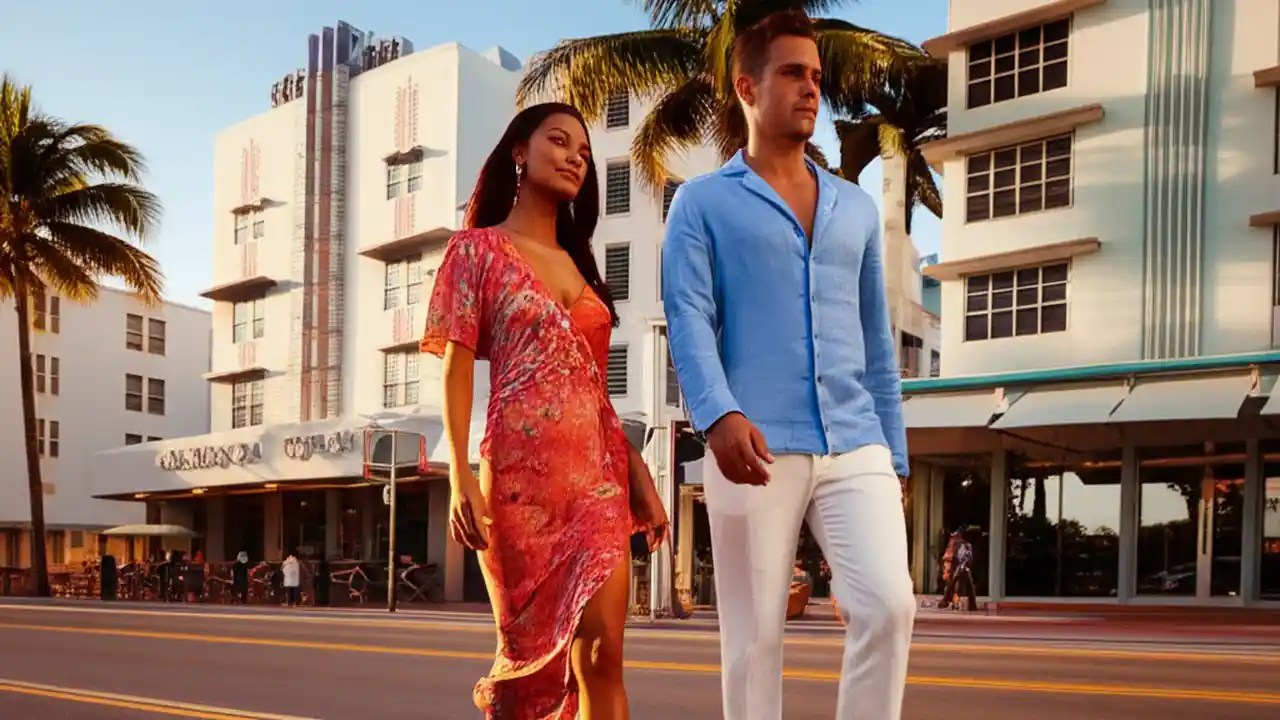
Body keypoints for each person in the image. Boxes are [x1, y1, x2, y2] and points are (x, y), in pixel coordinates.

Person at [661, 10, 916, 720]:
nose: (811, 89)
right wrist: (717, 414)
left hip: (855, 439)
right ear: (748, 85)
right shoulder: (701, 204)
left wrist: (893, 457)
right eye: (792, 74)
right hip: (752, 445)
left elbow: (876, 343)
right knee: (753, 644)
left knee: (891, 607)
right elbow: (688, 317)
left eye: (815, 76)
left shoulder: (855, 208)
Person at [421, 101, 670, 720]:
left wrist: (635, 470)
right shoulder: (475, 252)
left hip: (596, 485)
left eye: (583, 153)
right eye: (559, 142)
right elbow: (456, 368)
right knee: (530, 667)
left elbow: (594, 391)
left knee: (603, 658)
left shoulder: (582, 269)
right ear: (518, 152)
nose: (574, 158)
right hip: (517, 486)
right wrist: (458, 476)